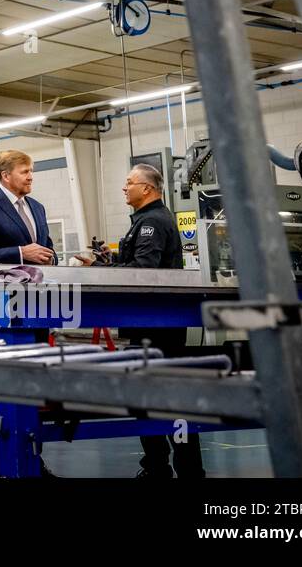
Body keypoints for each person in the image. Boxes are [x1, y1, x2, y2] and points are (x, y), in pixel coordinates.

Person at [117, 162, 203, 478]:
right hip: (155, 324)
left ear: (147, 189)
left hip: (155, 328)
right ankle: (171, 466)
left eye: (129, 183)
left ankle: (163, 467)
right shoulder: (145, 219)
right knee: (165, 398)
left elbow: (144, 269)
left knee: (156, 398)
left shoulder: (152, 220)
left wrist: (107, 272)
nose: (124, 188)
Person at [0, 149, 56, 265]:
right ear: (5, 176)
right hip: (6, 282)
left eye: (31, 171)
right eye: (24, 172)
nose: (30, 177)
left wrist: (52, 259)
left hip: (40, 281)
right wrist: (20, 253)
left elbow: (48, 247)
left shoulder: (38, 208)